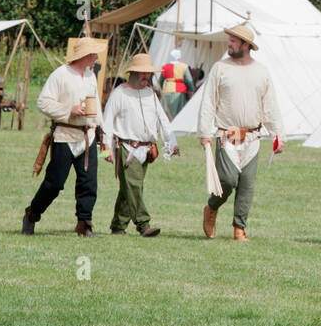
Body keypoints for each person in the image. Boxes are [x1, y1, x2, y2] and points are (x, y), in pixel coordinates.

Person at [199, 18, 283, 241]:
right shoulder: (220, 68)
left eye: (234, 41)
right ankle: (212, 208)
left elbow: (271, 105)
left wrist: (278, 135)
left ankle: (239, 228)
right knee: (226, 180)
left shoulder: (261, 71)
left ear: (246, 45)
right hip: (226, 135)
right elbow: (208, 101)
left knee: (247, 184)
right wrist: (204, 133)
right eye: (230, 40)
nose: (230, 44)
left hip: (252, 136)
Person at [22, 36, 104, 238]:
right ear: (84, 55)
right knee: (55, 182)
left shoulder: (91, 76)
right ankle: (32, 214)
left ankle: (84, 223)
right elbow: (43, 102)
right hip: (65, 135)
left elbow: (97, 106)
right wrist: (70, 109)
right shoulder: (60, 75)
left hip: (88, 136)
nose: (96, 57)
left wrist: (101, 132)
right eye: (93, 53)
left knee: (89, 183)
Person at [103, 52, 179, 237]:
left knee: (128, 189)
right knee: (134, 186)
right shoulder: (119, 93)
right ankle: (144, 224)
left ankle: (118, 226)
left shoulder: (150, 93)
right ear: (134, 73)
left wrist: (171, 141)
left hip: (146, 150)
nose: (147, 77)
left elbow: (162, 119)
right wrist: (105, 149)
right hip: (126, 148)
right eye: (143, 73)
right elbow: (107, 122)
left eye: (149, 73)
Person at [160, 49, 196, 120]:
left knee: (166, 113)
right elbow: (189, 80)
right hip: (179, 91)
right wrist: (191, 89)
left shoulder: (165, 67)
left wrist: (159, 90)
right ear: (179, 57)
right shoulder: (184, 66)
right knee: (178, 114)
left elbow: (160, 81)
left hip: (166, 90)